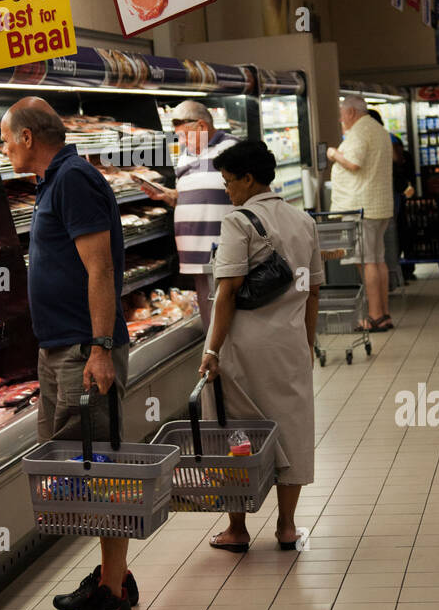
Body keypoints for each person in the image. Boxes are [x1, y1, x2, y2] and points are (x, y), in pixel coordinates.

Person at [0, 97, 135, 610]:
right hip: (61, 346)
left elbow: (99, 268)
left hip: (84, 348)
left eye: (7, 138)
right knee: (80, 467)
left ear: (29, 137)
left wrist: (100, 346)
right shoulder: (55, 181)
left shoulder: (74, 178)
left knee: (101, 468)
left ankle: (114, 593)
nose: (4, 148)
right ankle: (112, 574)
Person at [198, 140, 322, 552]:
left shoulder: (239, 222)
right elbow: (313, 290)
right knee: (291, 427)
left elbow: (228, 290)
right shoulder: (303, 220)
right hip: (288, 345)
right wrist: (306, 341)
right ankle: (287, 527)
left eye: (229, 181)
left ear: (249, 179)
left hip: (244, 349)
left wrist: (211, 350)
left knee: (237, 431)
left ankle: (237, 528)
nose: (227, 190)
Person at [138, 100, 233, 332]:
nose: (179, 140)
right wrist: (168, 196)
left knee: (232, 313)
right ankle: (216, 359)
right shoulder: (186, 156)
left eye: (181, 134)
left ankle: (234, 361)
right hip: (196, 257)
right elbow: (188, 195)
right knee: (210, 314)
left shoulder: (232, 149)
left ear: (200, 125)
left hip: (225, 252)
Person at [327, 93, 395, 331]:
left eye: (341, 114)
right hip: (378, 205)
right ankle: (384, 313)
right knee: (377, 259)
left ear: (351, 113)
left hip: (362, 207)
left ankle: (375, 316)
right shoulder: (378, 129)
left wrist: (334, 154)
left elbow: (353, 163)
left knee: (366, 262)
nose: (340, 119)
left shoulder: (359, 132)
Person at [393, 137, 417, 281]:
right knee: (403, 236)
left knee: (398, 238)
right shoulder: (402, 156)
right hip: (398, 204)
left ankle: (402, 272)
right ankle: (406, 270)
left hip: (395, 205)